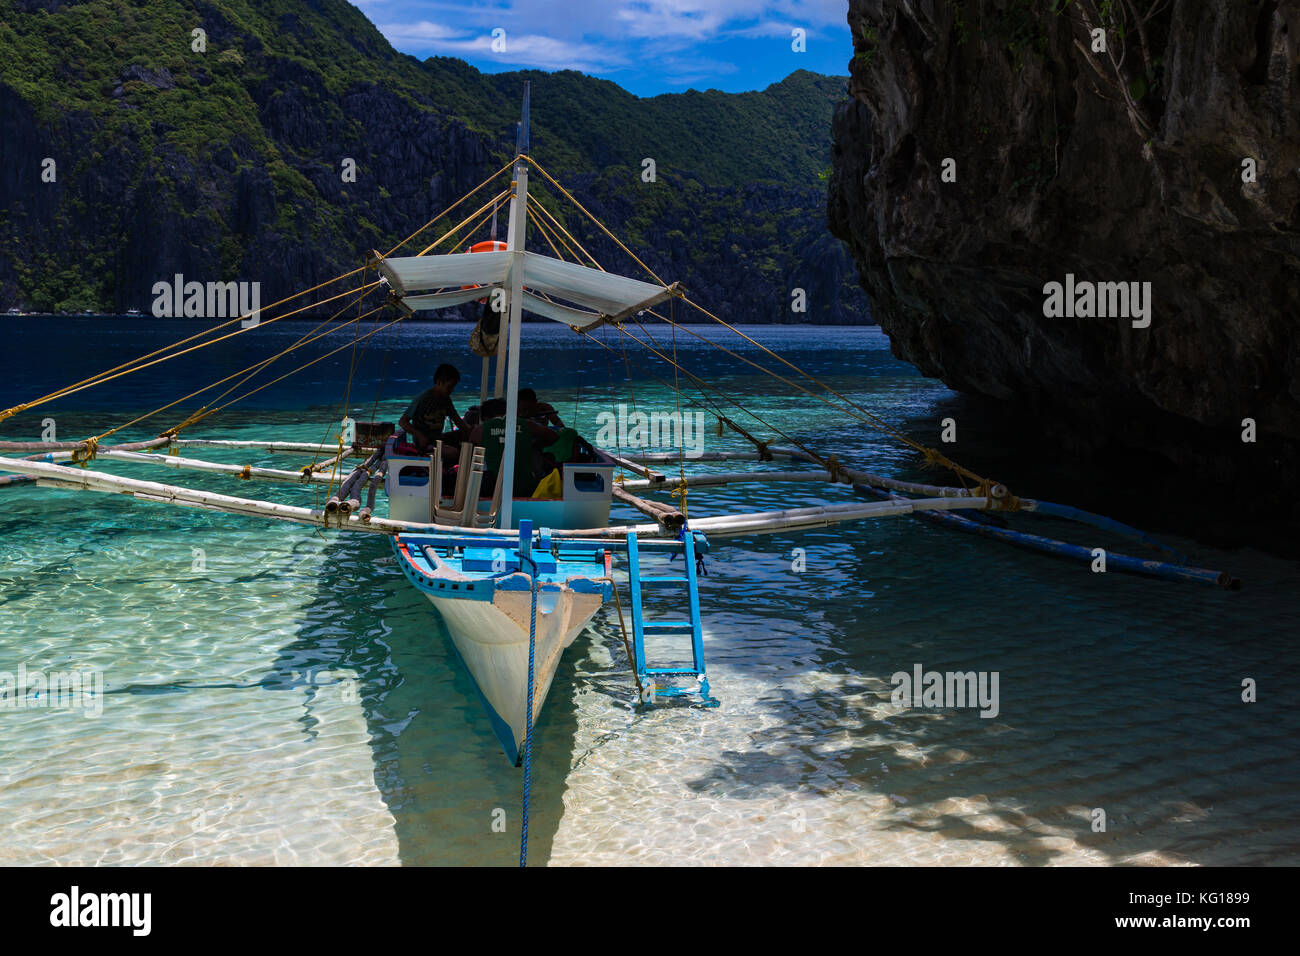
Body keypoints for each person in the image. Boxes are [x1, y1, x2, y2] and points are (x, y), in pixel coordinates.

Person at [469, 397, 555, 497]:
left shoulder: (479, 431)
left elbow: (468, 456)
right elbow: (554, 437)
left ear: (485, 418)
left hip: (491, 491)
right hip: (527, 489)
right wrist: (532, 445)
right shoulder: (527, 424)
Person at [399, 364, 466, 453]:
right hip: (425, 444)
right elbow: (402, 422)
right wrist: (419, 435)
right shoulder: (423, 399)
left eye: (453, 387)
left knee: (464, 437)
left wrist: (471, 432)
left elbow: (457, 420)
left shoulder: (446, 399)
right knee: (454, 453)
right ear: (439, 382)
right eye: (449, 386)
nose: (452, 390)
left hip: (438, 439)